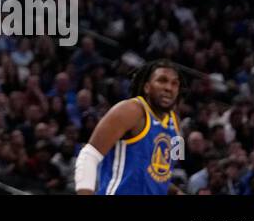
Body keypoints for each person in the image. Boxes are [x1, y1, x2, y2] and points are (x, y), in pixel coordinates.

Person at [75, 60, 182, 195]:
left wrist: (176, 191)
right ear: (147, 87)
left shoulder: (176, 122)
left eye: (174, 83)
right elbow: (88, 155)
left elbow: (160, 175)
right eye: (162, 81)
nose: (169, 87)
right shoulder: (131, 110)